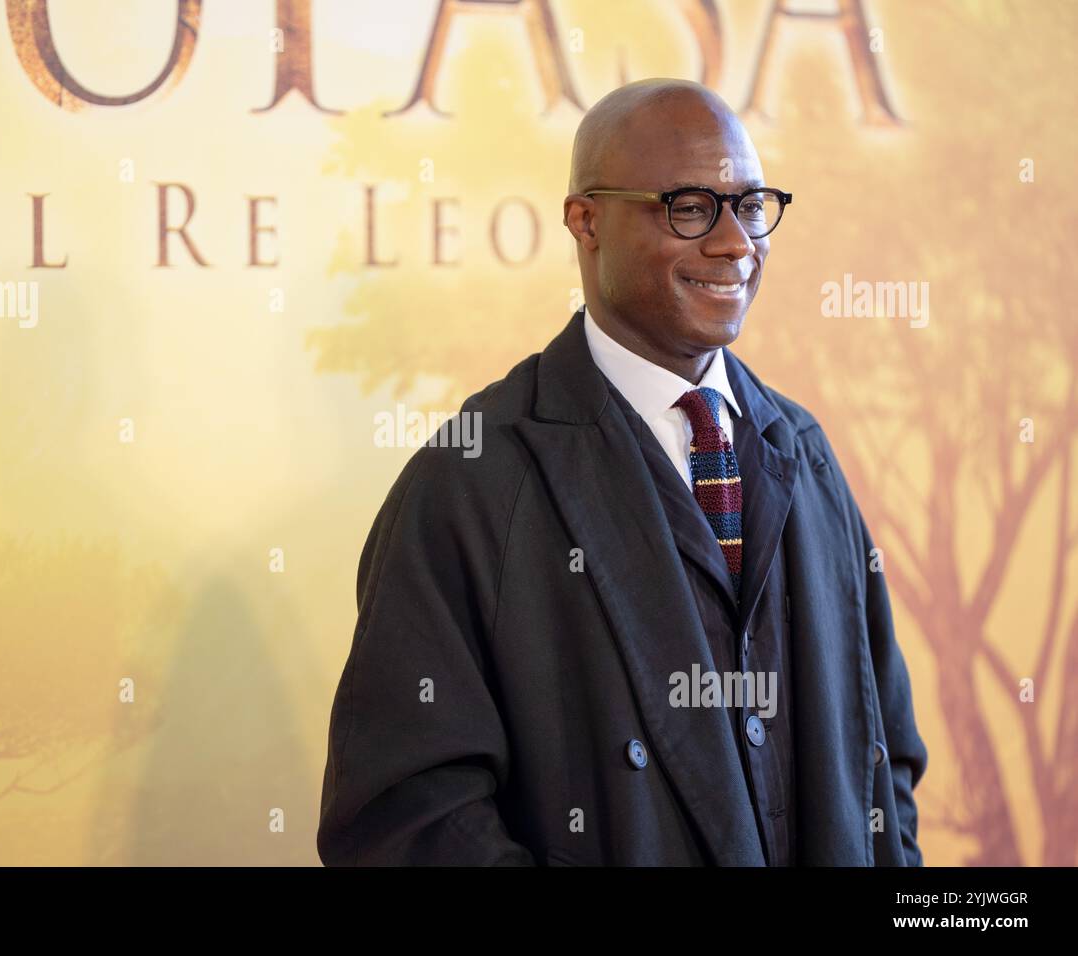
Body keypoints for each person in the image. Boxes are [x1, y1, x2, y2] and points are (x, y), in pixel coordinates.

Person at [317, 78, 926, 866]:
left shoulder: (803, 451)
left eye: (749, 204)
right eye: (689, 207)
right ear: (585, 220)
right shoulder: (470, 479)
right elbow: (402, 820)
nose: (735, 242)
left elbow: (884, 753)